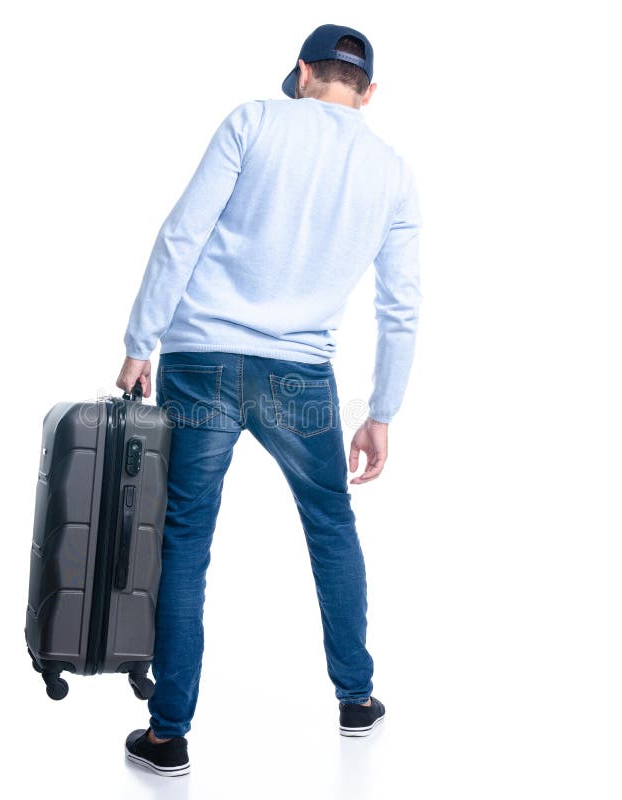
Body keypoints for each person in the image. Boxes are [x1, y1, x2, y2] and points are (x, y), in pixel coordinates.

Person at [120, 23, 421, 777]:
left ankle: (169, 736)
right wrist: (381, 409)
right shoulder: (391, 170)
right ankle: (356, 699)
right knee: (331, 526)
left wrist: (139, 341)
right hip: (302, 376)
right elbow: (401, 306)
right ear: (369, 92)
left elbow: (182, 234)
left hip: (202, 362)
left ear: (301, 73)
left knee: (186, 540)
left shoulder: (254, 120)